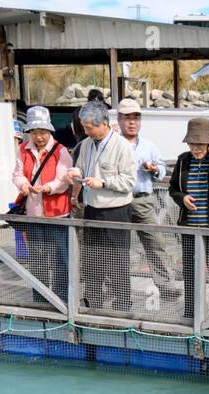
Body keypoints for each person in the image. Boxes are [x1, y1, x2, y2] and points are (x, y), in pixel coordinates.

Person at [69, 100, 136, 313]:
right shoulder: (86, 144)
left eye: (89, 127)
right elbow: (80, 168)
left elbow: (129, 181)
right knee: (91, 258)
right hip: (92, 208)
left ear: (103, 124)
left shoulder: (122, 146)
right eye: (84, 127)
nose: (86, 131)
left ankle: (122, 304)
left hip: (116, 210)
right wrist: (75, 175)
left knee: (117, 260)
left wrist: (104, 182)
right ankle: (92, 299)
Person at [169, 117, 209, 325]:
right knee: (190, 272)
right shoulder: (182, 161)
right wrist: (182, 199)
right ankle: (192, 314)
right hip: (190, 227)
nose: (196, 148)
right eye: (192, 144)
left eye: (200, 144)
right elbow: (173, 189)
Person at [116, 98, 182, 302]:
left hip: (143, 200)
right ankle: (118, 290)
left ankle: (167, 287)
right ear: (119, 120)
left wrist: (155, 169)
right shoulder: (113, 144)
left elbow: (162, 170)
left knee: (156, 243)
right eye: (127, 118)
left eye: (136, 118)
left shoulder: (148, 145)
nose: (132, 122)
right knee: (117, 247)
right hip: (118, 201)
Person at [13, 105, 74, 304]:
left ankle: (61, 298)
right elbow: (17, 173)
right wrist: (23, 184)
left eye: (43, 132)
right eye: (35, 132)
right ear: (29, 132)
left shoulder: (60, 151)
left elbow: (64, 180)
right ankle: (39, 299)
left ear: (49, 131)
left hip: (57, 213)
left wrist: (47, 188)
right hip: (33, 213)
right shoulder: (23, 149)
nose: (39, 137)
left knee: (60, 258)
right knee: (38, 259)